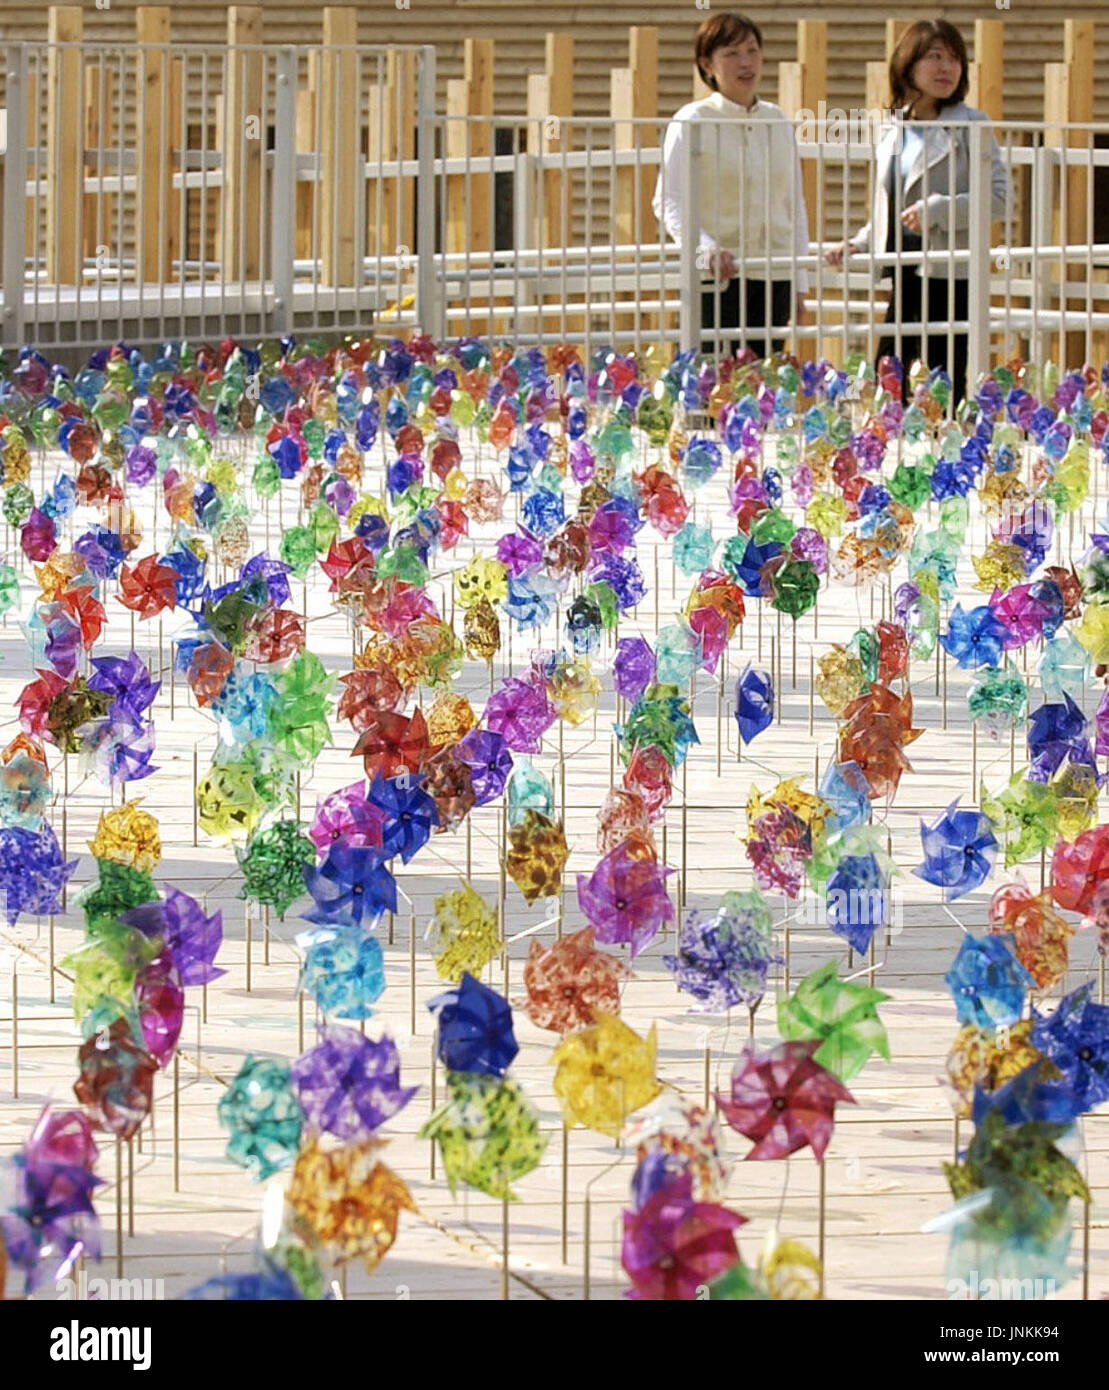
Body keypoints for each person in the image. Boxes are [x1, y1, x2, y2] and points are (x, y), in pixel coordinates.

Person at [825, 19, 1009, 403]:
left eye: (955, 59)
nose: (946, 68)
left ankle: (948, 454)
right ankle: (894, 454)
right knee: (890, 375)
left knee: (944, 380)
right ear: (907, 65)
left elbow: (999, 198)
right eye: (934, 57)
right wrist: (859, 242)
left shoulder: (972, 124)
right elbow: (888, 204)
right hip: (904, 269)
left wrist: (940, 210)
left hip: (948, 271)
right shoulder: (893, 126)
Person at [653, 13, 809, 360]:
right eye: (732, 53)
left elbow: (794, 205)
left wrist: (800, 283)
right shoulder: (691, 121)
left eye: (753, 51)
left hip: (774, 274)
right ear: (706, 64)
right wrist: (705, 248)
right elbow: (667, 200)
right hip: (717, 277)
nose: (745, 63)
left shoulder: (779, 121)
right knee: (711, 386)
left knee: (764, 386)